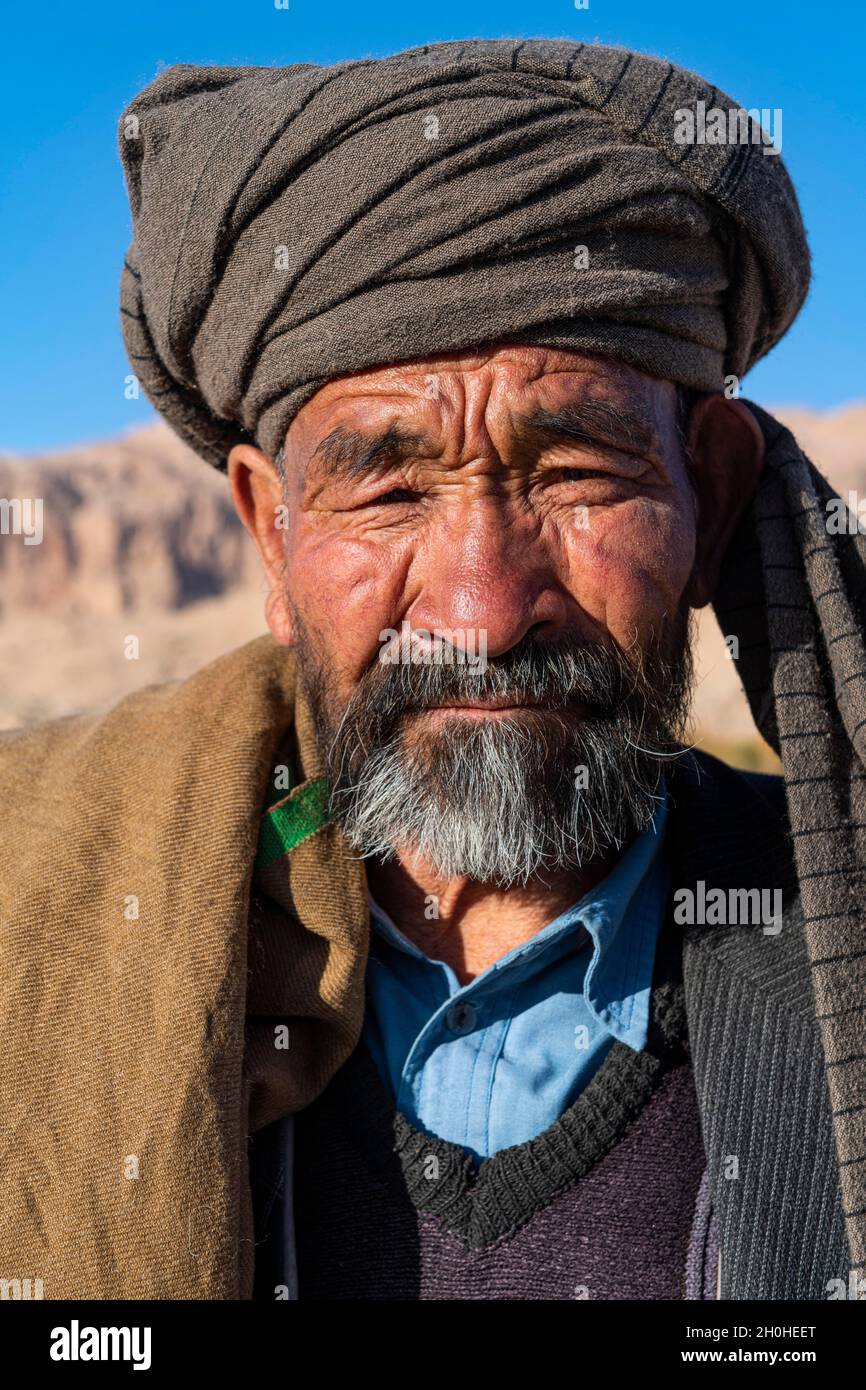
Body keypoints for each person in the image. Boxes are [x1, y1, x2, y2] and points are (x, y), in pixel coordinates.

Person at [1, 38, 863, 1301]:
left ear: (709, 499)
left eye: (574, 473)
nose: (479, 611)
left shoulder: (823, 936)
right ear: (270, 534)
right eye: (389, 488)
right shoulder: (54, 938)